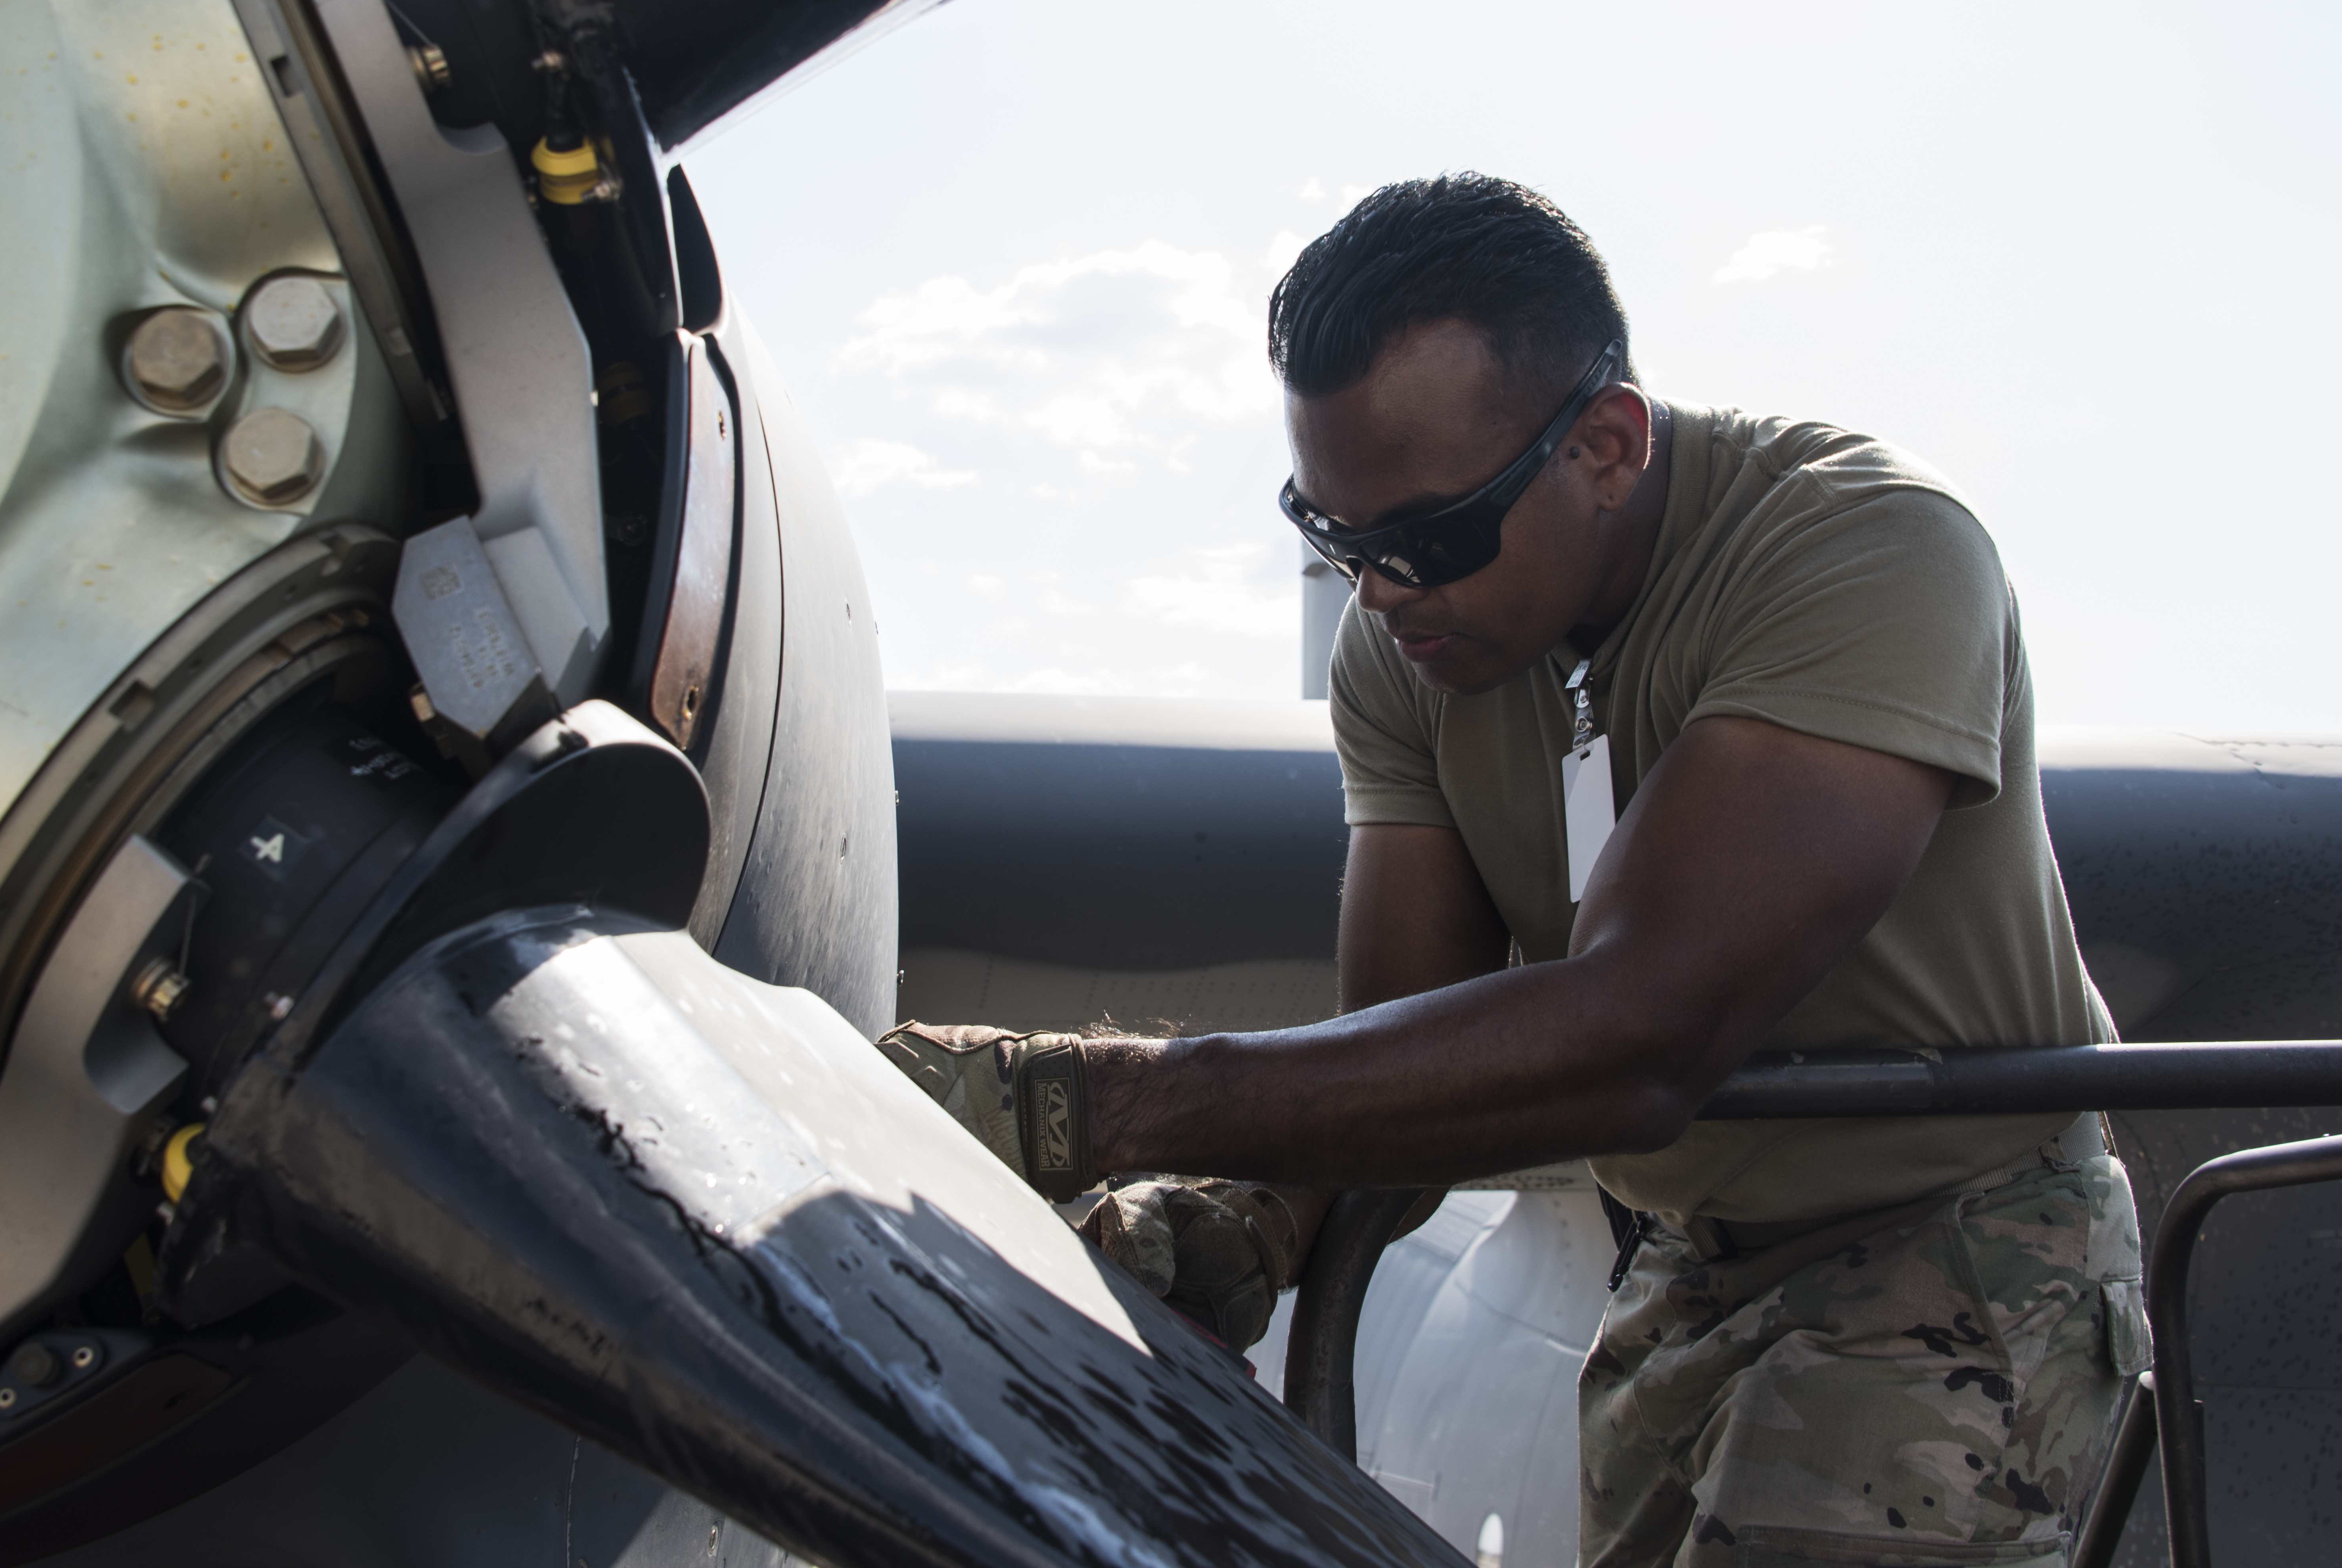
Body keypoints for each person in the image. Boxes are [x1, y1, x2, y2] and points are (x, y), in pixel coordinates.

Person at [877, 174, 2147, 1568]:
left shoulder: (1868, 551)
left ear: (1606, 445)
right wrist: (1250, 1219)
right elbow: (1407, 1065)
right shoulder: (1410, 652)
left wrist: (1083, 1101)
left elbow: (1648, 1025)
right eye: (1332, 539)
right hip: (1683, 1259)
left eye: (1425, 539)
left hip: (1955, 1243)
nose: (1377, 592)